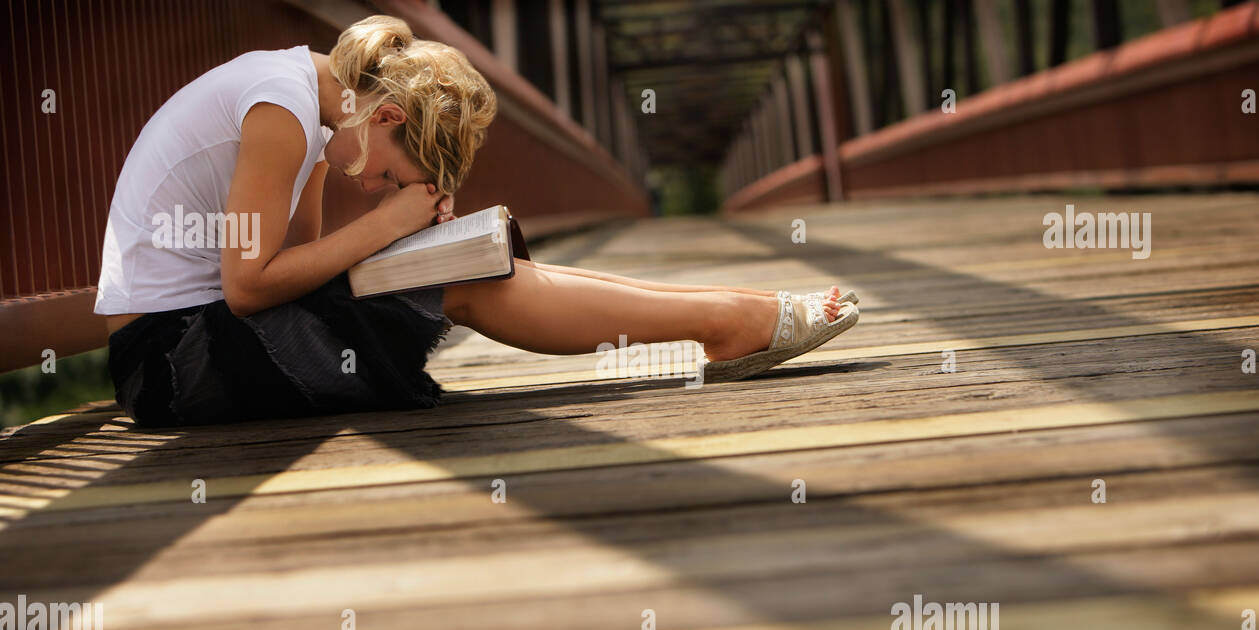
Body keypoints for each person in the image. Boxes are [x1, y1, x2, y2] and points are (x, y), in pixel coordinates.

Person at [95, 15, 857, 427]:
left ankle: (725, 315)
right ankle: (724, 324)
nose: (379, 189)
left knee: (467, 266)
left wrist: (405, 234)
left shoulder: (318, 112)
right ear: (388, 114)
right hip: (171, 363)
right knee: (458, 280)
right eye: (394, 172)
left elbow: (306, 264)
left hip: (201, 339)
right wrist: (391, 226)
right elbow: (249, 286)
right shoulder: (280, 109)